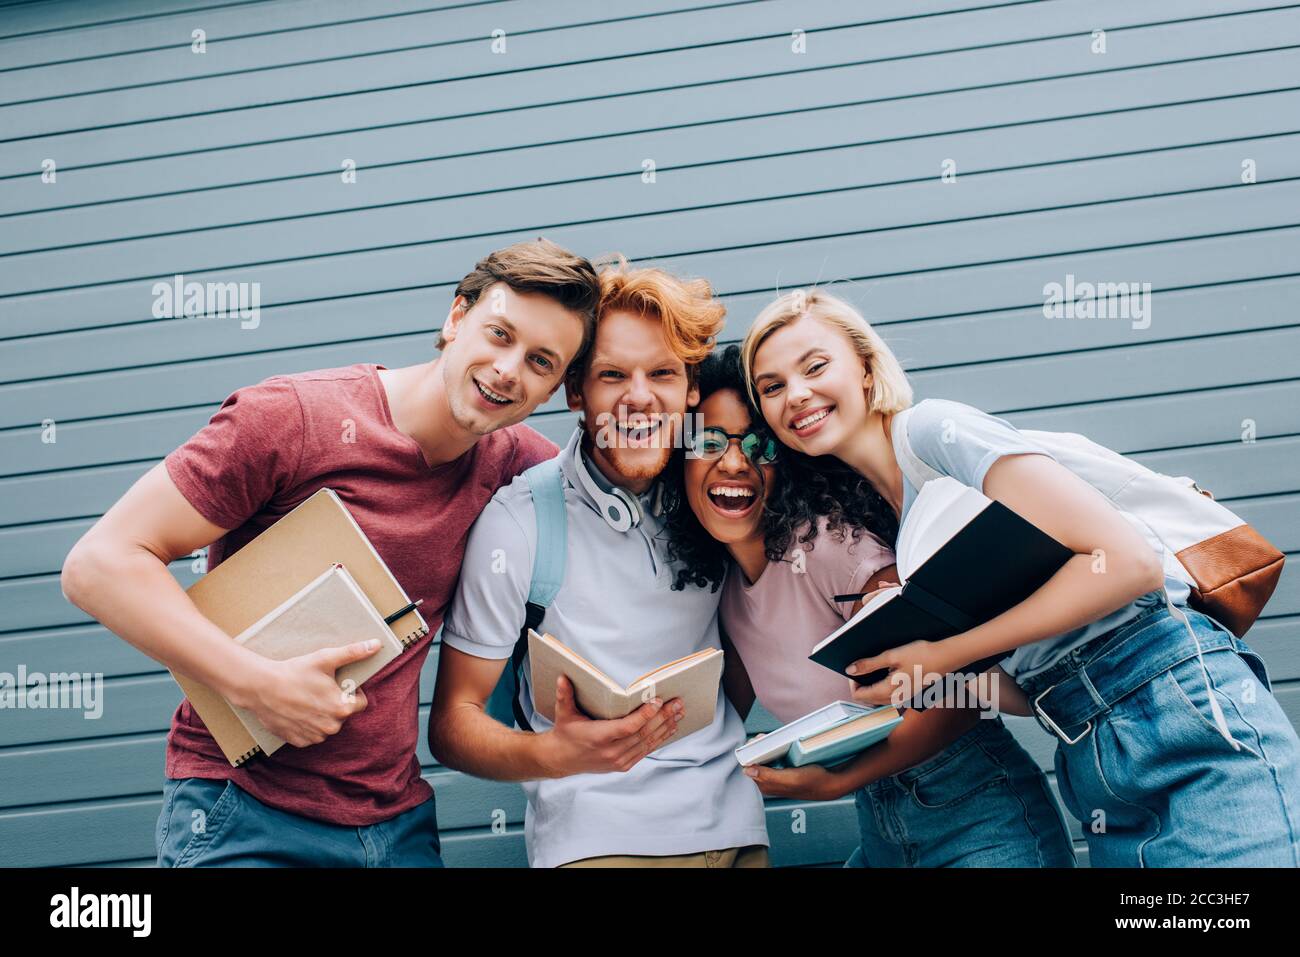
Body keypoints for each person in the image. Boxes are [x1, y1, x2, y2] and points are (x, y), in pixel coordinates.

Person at [61, 239, 602, 867]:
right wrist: (255, 683)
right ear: (456, 318)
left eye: (541, 361)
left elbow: (643, 489)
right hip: (243, 812)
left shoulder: (521, 469)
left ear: (558, 387)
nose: (510, 369)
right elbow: (100, 564)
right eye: (499, 334)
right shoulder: (292, 419)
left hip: (395, 825)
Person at [741, 288, 1300, 866]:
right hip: (1086, 745)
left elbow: (1127, 564)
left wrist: (946, 653)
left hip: (1172, 701)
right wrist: (918, 678)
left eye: (815, 366)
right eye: (773, 386)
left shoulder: (933, 431)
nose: (797, 394)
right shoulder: (906, 528)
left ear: (864, 366)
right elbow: (1021, 692)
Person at [663, 344, 1077, 867]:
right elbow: (720, 719)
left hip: (973, 805)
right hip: (883, 820)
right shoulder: (723, 590)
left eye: (759, 447)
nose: (734, 462)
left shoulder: (829, 547)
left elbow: (952, 702)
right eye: (707, 442)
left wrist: (837, 780)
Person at [430, 259, 769, 868]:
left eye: (662, 373)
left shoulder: (715, 496)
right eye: (613, 375)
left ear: (690, 389)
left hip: (737, 830)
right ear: (575, 391)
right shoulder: (520, 522)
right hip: (596, 846)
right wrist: (560, 754)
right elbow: (453, 725)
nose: (639, 397)